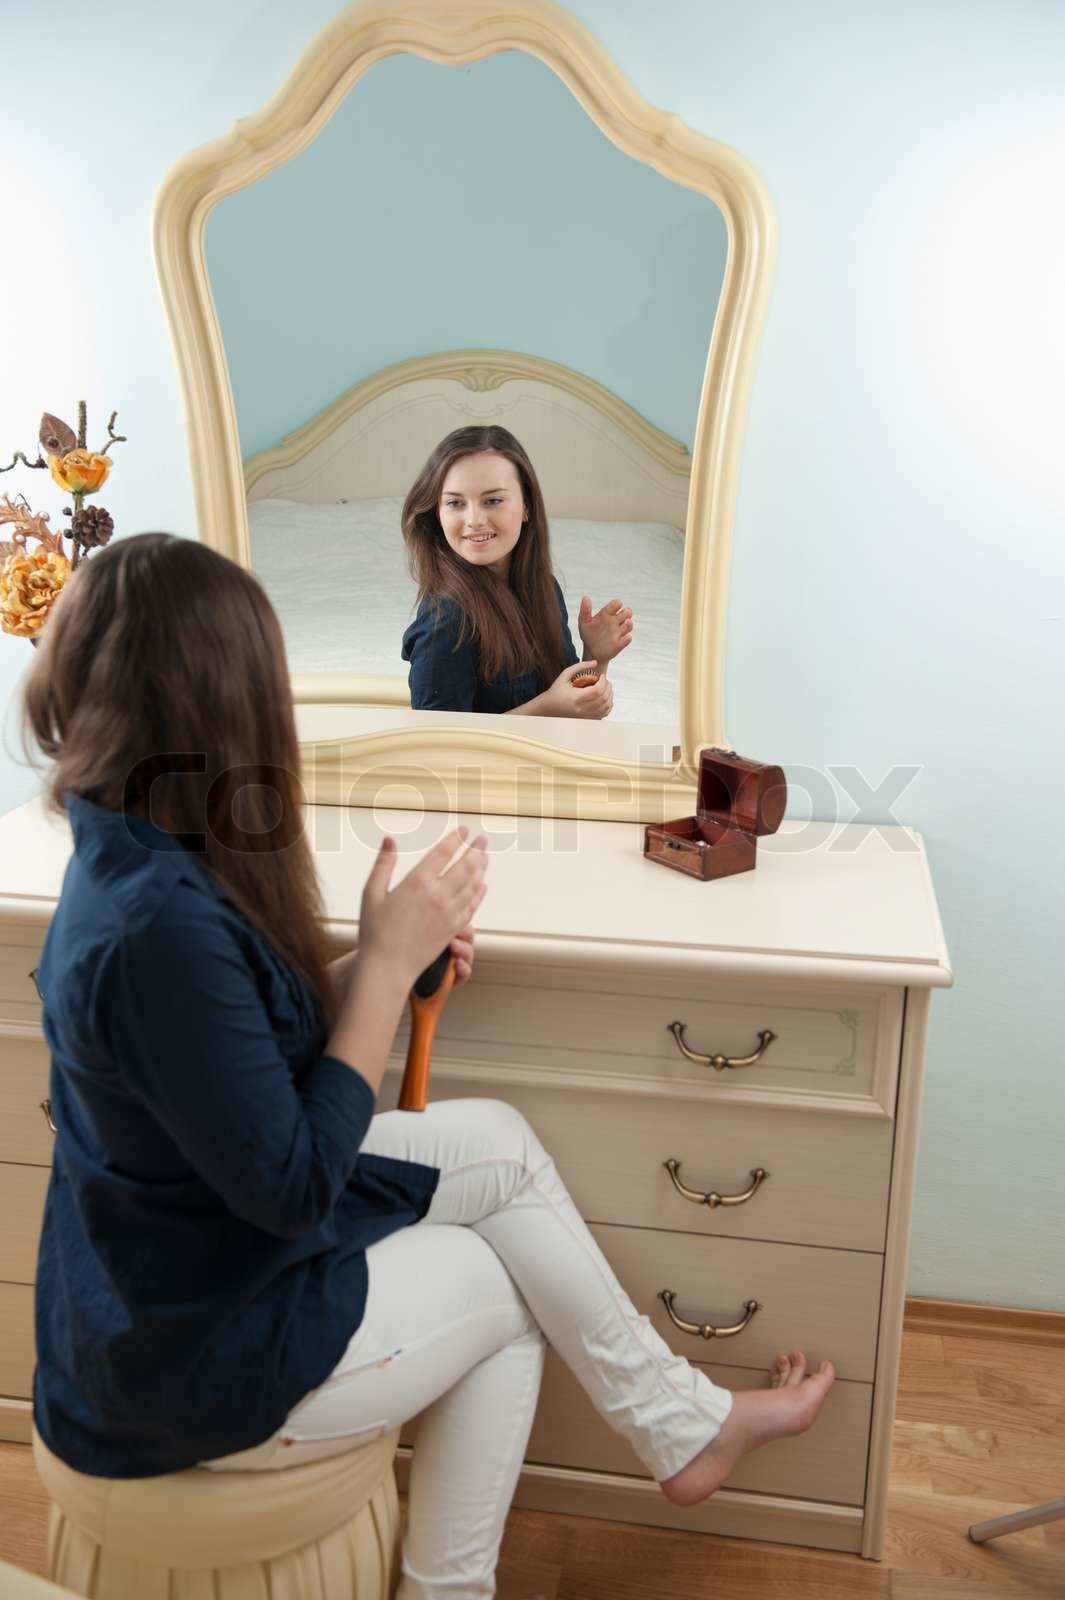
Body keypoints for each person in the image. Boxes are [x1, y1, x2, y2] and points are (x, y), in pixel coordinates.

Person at [25, 533, 835, 1600]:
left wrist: (377, 956)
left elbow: (222, 1065)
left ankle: (684, 1425)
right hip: (187, 1358)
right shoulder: (155, 922)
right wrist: (381, 974)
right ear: (221, 697)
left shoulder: (131, 847)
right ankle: (470, 1577)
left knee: (495, 1141)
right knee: (508, 1289)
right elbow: (292, 1182)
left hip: (171, 1271)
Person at [401, 425, 633, 716]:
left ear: (527, 506)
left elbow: (570, 707)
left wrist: (596, 657)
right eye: (455, 503)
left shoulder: (544, 589)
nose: (473, 519)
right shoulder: (445, 621)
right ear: (438, 513)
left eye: (493, 500)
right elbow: (439, 747)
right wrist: (548, 707)